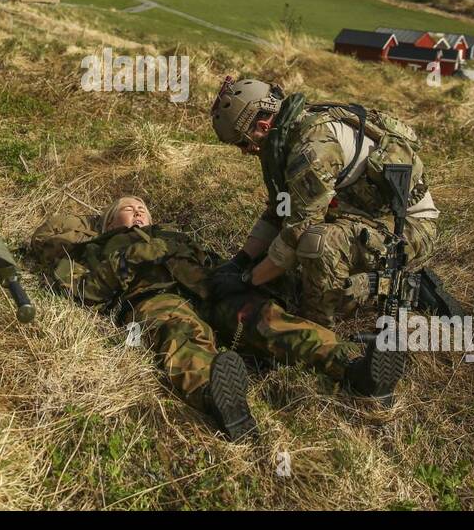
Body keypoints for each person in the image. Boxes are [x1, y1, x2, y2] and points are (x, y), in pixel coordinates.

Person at [29, 195, 369, 440]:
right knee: (179, 332)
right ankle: (217, 395)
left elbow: (216, 264)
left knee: (266, 320)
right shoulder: (95, 248)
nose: (137, 212)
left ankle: (352, 365)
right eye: (127, 209)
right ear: (107, 221)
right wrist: (124, 261)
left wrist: (241, 277)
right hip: (153, 299)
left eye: (142, 208)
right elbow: (78, 293)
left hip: (211, 293)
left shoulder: (174, 237)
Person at [207, 77, 440, 328]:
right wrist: (240, 261)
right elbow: (280, 211)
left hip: (408, 229)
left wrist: (247, 280)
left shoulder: (311, 148)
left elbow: (299, 231)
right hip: (364, 216)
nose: (244, 151)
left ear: (263, 126)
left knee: (318, 243)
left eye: (243, 142)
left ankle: (338, 314)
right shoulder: (283, 137)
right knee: (285, 270)